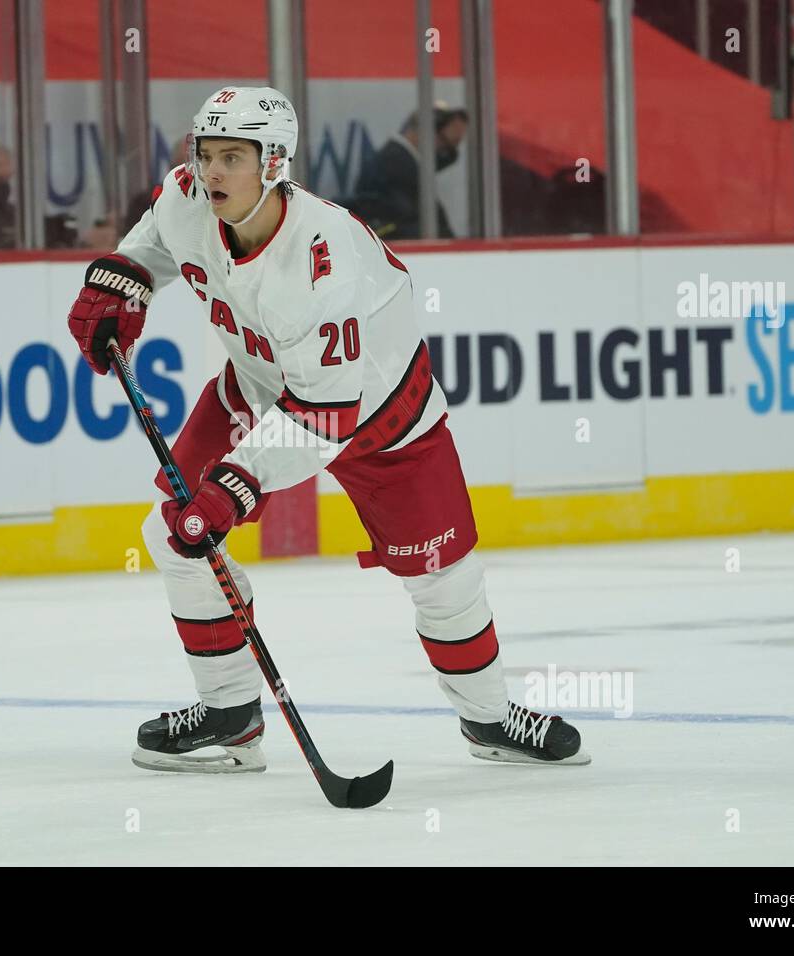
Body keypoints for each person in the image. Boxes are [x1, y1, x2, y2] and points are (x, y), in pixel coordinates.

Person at [67, 87, 587, 774]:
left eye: (232, 157)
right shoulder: (189, 195)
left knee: (443, 576)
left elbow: (322, 418)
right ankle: (230, 715)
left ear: (273, 162)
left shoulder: (322, 260)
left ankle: (490, 719)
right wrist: (122, 277)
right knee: (173, 533)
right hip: (256, 391)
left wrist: (233, 490)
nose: (210, 171)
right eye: (205, 152)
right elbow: (162, 235)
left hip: (381, 420)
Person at [347, 101, 467, 240]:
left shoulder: (403, 159)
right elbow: (410, 221)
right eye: (443, 140)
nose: (443, 150)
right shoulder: (396, 163)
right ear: (423, 131)